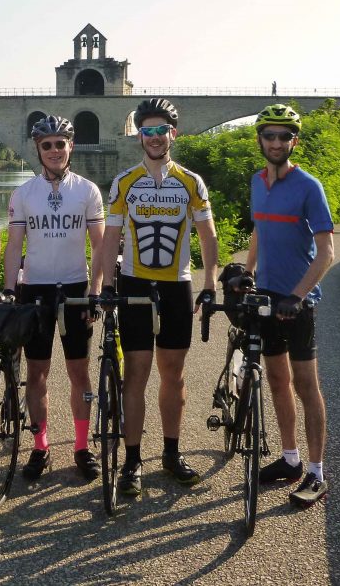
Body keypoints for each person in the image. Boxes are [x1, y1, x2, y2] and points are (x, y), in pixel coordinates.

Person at [99, 98, 219, 497]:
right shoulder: (124, 182)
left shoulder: (191, 181)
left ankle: (170, 453)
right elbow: (110, 237)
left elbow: (208, 236)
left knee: (173, 374)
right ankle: (132, 461)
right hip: (134, 284)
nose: (153, 137)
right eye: (146, 130)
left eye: (160, 130)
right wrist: (106, 285)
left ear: (173, 134)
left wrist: (210, 281)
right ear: (139, 136)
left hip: (175, 286)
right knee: (135, 375)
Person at [230, 103, 334, 507]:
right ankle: (290, 459)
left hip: (298, 299)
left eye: (283, 136)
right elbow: (259, 229)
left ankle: (316, 471)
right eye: (269, 136)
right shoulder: (258, 182)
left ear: (294, 141)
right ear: (259, 140)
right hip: (266, 297)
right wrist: (245, 270)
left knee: (306, 385)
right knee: (276, 381)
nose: (276, 142)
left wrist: (299, 295)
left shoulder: (309, 186)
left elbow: (326, 252)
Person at [2, 115, 105, 482]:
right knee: (37, 372)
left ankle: (81, 447)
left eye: (61, 143)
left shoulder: (88, 191)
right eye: (47, 145)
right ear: (38, 150)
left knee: (80, 372)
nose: (55, 150)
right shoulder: (24, 194)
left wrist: (96, 290)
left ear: (70, 146)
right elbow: (15, 246)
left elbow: (100, 246)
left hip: (76, 288)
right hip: (37, 290)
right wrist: (9, 288)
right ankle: (40, 447)